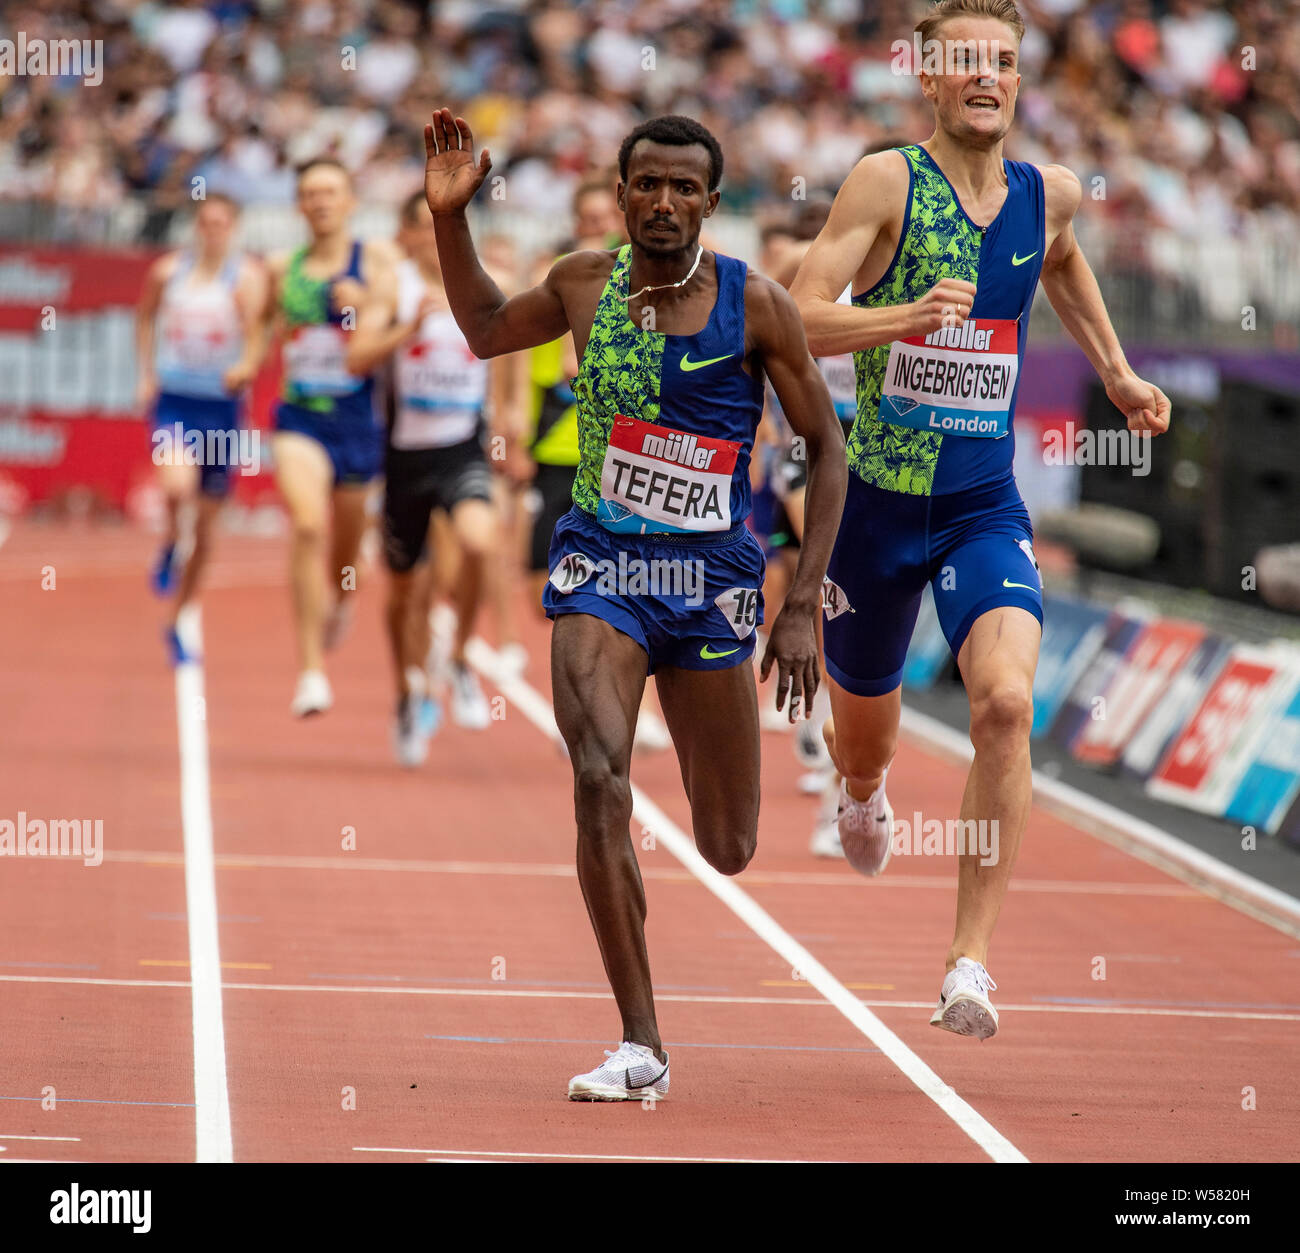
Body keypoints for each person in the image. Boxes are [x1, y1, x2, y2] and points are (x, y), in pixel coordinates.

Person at [425, 108, 847, 1099]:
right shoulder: (582, 282)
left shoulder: (759, 307)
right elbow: (487, 329)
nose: (662, 201)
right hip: (603, 565)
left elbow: (828, 448)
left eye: (683, 187)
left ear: (710, 200)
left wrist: (801, 606)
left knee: (728, 845)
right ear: (619, 197)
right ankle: (640, 1039)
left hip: (708, 585)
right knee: (596, 778)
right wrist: (451, 219)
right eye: (644, 184)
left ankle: (663, 963)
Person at [790, 0, 1170, 1038]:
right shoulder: (886, 182)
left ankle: (967, 963)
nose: (986, 77)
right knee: (862, 737)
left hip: (977, 507)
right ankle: (859, 787)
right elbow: (793, 313)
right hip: (871, 512)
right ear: (927, 77)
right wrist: (898, 318)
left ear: (1018, 76)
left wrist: (1119, 372)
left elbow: (1061, 260)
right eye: (965, 63)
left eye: (1001, 61)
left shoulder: (1048, 195)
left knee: (1004, 703)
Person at [347, 190, 509, 765]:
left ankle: (461, 658)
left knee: (480, 542)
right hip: (404, 458)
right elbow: (358, 356)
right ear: (408, 235)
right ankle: (407, 690)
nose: (434, 238)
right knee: (405, 593)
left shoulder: (483, 283)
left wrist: (509, 414)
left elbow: (509, 347)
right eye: (423, 228)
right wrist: (405, 327)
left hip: (461, 449)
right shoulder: (395, 290)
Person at [263, 159, 400, 716]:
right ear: (299, 205)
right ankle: (310, 671)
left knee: (345, 553)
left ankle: (341, 598)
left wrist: (363, 305)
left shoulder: (376, 260)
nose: (320, 201)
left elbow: (388, 320)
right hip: (300, 417)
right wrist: (249, 358)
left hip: (358, 422)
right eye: (309, 192)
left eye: (330, 192)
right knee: (307, 524)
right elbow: (263, 328)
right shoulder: (279, 267)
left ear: (349, 202)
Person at [135, 193, 267, 663]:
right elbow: (144, 318)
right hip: (176, 399)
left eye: (221, 224)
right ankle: (171, 538)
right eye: (205, 222)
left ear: (233, 228)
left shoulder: (247, 278)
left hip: (222, 407)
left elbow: (258, 339)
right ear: (196, 226)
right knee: (176, 486)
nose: (212, 230)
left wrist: (246, 367)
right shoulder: (167, 273)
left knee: (208, 531)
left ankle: (178, 619)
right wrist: (146, 373)